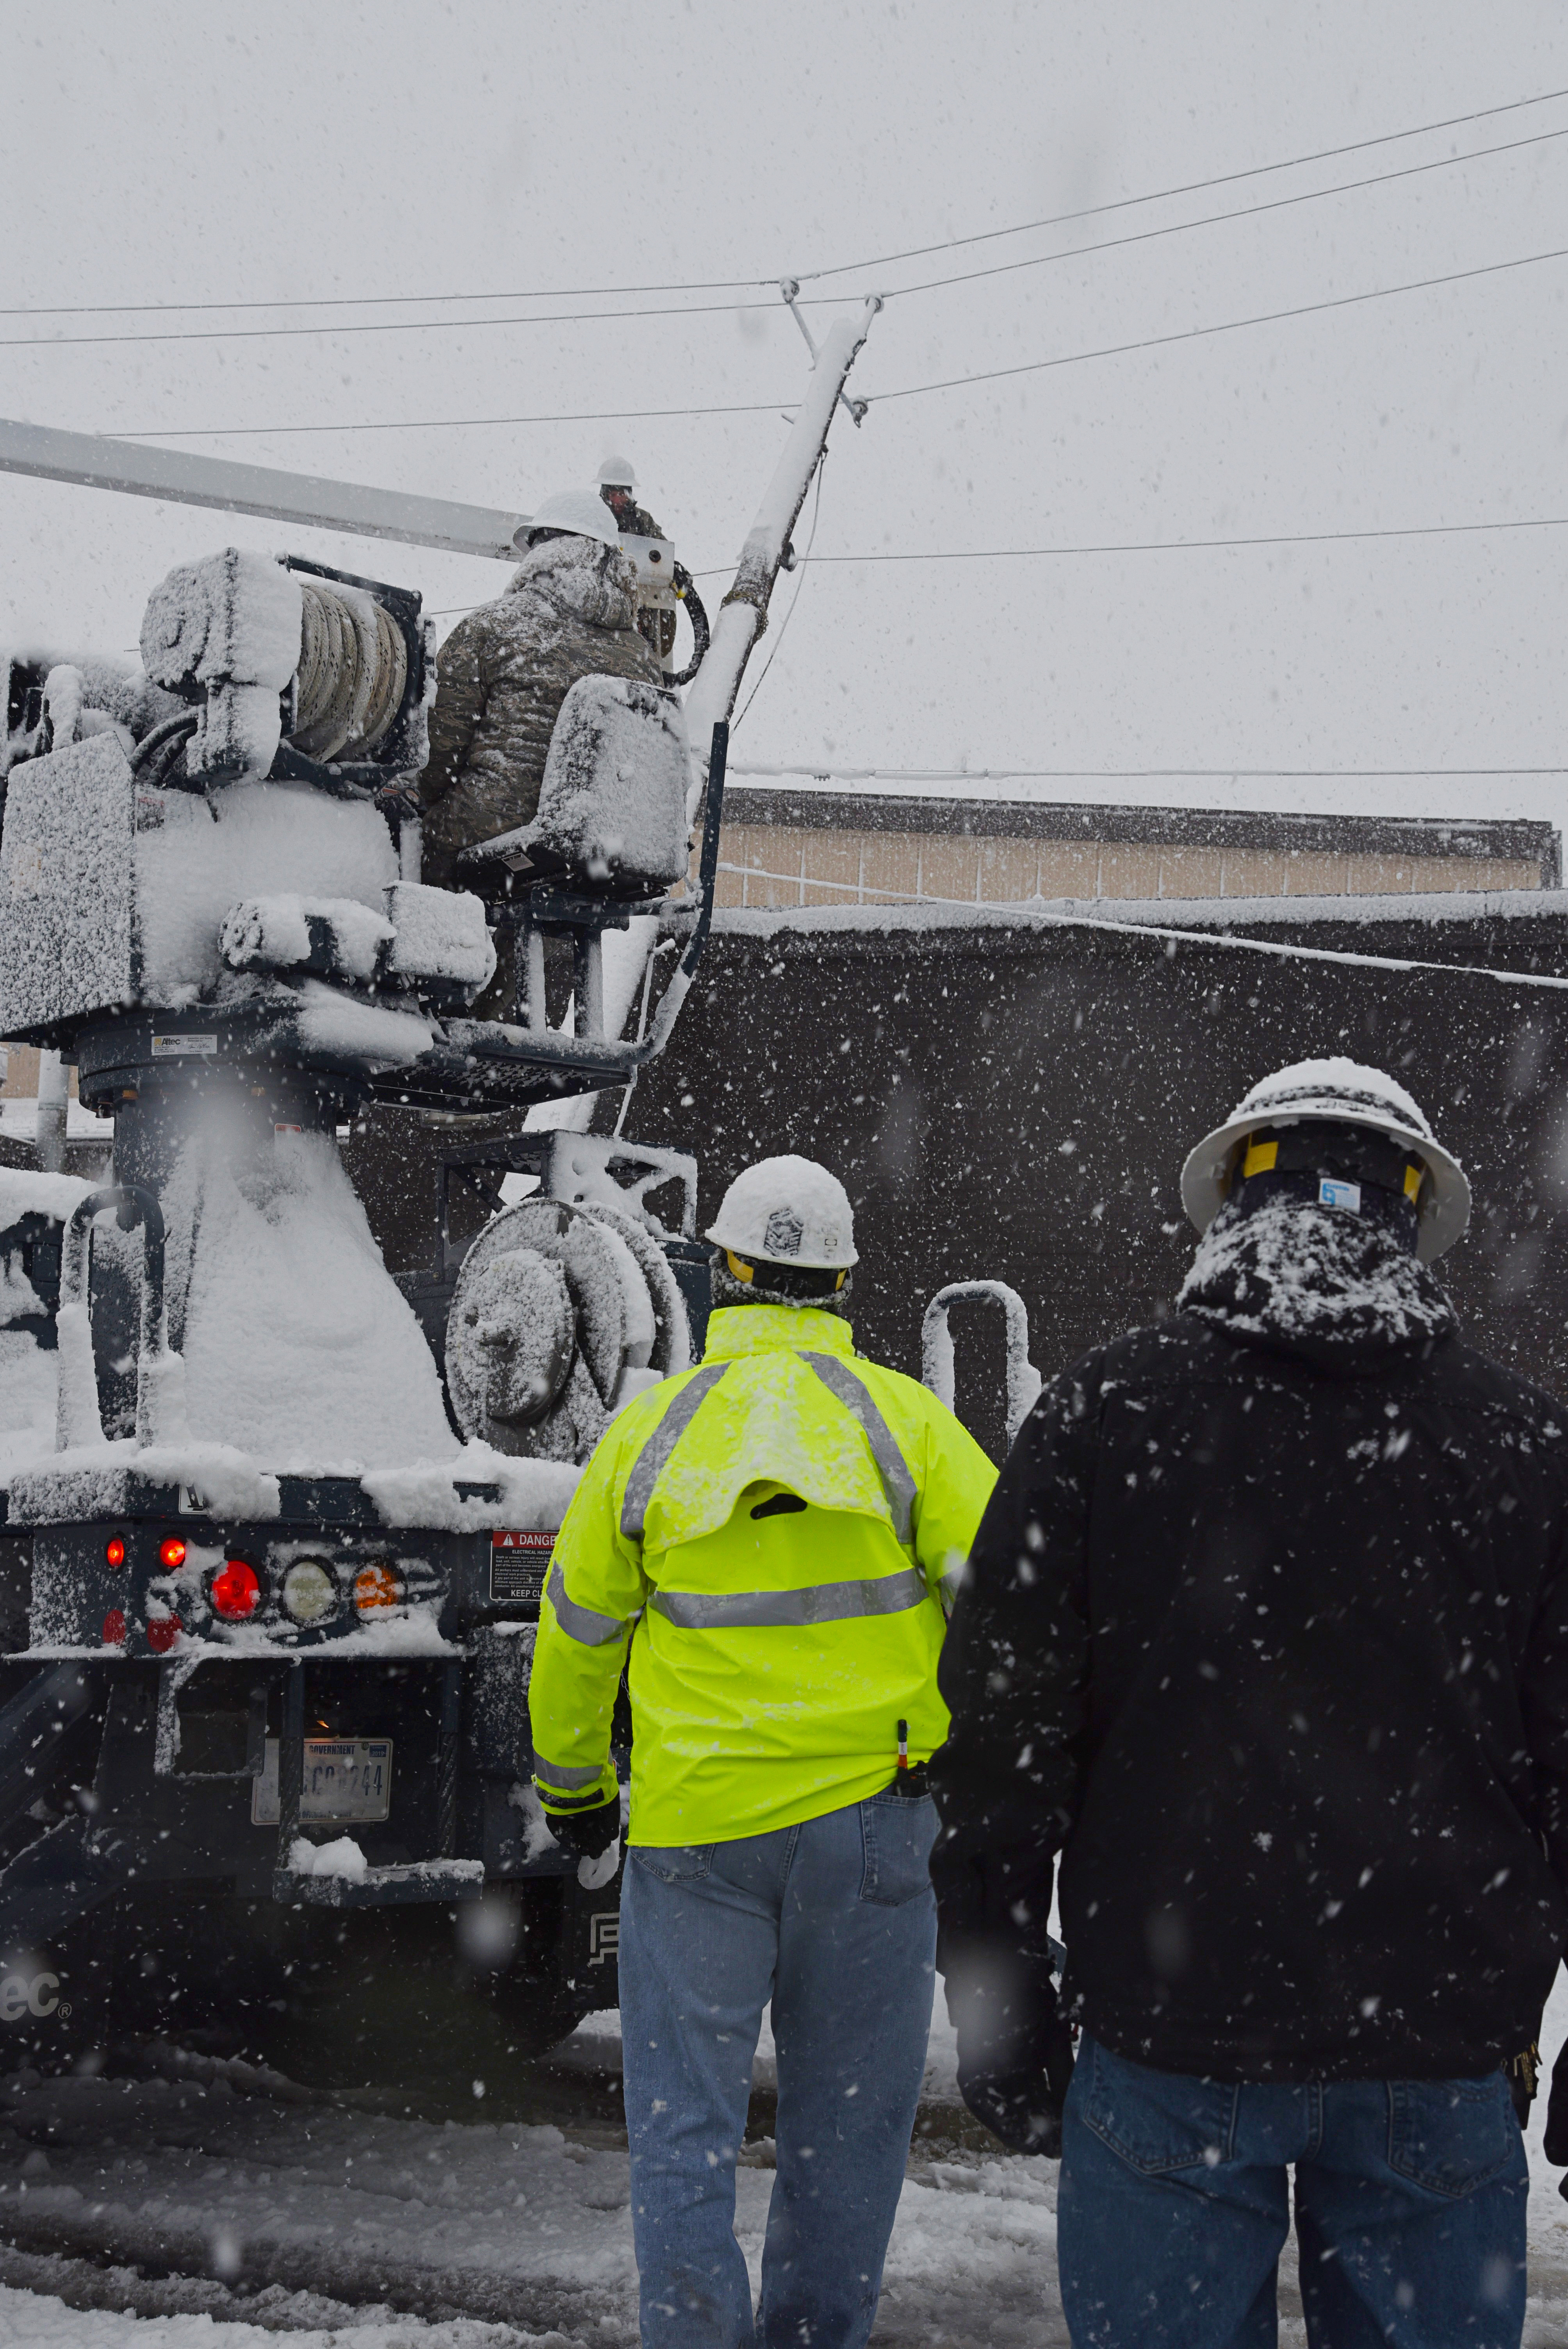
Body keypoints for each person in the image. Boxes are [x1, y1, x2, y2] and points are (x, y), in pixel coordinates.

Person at [930, 1058, 1568, 2349]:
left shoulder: (1105, 1414)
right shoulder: (1523, 1448)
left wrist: (999, 1990)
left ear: (1228, 1210)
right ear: (1412, 1217)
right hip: (1435, 2047)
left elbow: (1002, 1734)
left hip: (1171, 2039)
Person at [526, 1155, 997, 2349]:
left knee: (682, 2133)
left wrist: (575, 1789)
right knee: (847, 2135)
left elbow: (577, 1630)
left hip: (697, 1831)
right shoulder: (909, 1425)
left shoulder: (650, 1431)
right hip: (875, 1826)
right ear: (842, 1280)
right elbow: (1011, 1601)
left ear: (723, 1269)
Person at [418, 486, 661, 898]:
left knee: (415, 838)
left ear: (540, 550)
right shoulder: (643, 656)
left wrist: (418, 794)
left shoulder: (492, 626)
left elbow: (436, 750)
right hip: (602, 849)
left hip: (501, 831)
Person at [597, 454, 677, 665]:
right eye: (613, 494)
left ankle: (646, 661)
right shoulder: (594, 519)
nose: (617, 501)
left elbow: (663, 554)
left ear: (629, 494)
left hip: (641, 601)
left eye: (621, 494)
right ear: (604, 494)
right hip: (604, 596)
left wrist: (676, 572)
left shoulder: (643, 521)